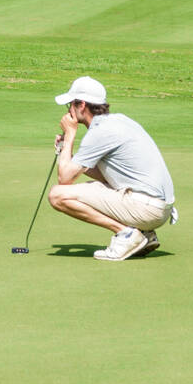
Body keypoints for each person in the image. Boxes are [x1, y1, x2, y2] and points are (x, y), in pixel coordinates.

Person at [47, 76, 178, 261]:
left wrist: (69, 135)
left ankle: (126, 234)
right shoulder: (118, 120)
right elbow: (98, 173)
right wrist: (65, 151)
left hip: (147, 209)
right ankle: (144, 235)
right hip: (157, 208)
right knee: (89, 185)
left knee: (57, 195)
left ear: (82, 105)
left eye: (71, 104)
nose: (68, 110)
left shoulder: (99, 132)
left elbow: (65, 179)